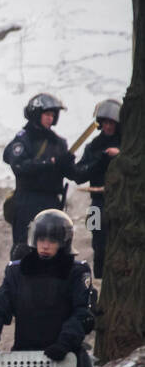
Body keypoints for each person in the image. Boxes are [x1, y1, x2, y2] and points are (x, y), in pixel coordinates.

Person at [0, 209, 96, 367]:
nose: (45, 245)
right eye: (41, 239)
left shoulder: (76, 272)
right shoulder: (17, 271)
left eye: (52, 240)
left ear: (63, 242)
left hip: (62, 356)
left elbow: (83, 314)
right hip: (25, 355)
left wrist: (64, 343)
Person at [3, 93, 81, 261]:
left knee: (54, 246)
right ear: (36, 114)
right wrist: (51, 162)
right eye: (47, 114)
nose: (50, 119)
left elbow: (75, 174)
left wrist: (70, 163)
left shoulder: (58, 142)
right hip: (27, 201)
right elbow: (19, 166)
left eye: (53, 115)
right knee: (25, 248)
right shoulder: (24, 139)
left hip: (52, 202)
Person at [72, 99, 122, 279]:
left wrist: (120, 156)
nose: (108, 126)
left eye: (112, 123)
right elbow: (79, 175)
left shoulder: (126, 145)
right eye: (106, 122)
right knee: (98, 247)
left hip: (122, 203)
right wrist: (100, 161)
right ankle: (100, 281)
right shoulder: (93, 147)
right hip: (96, 204)